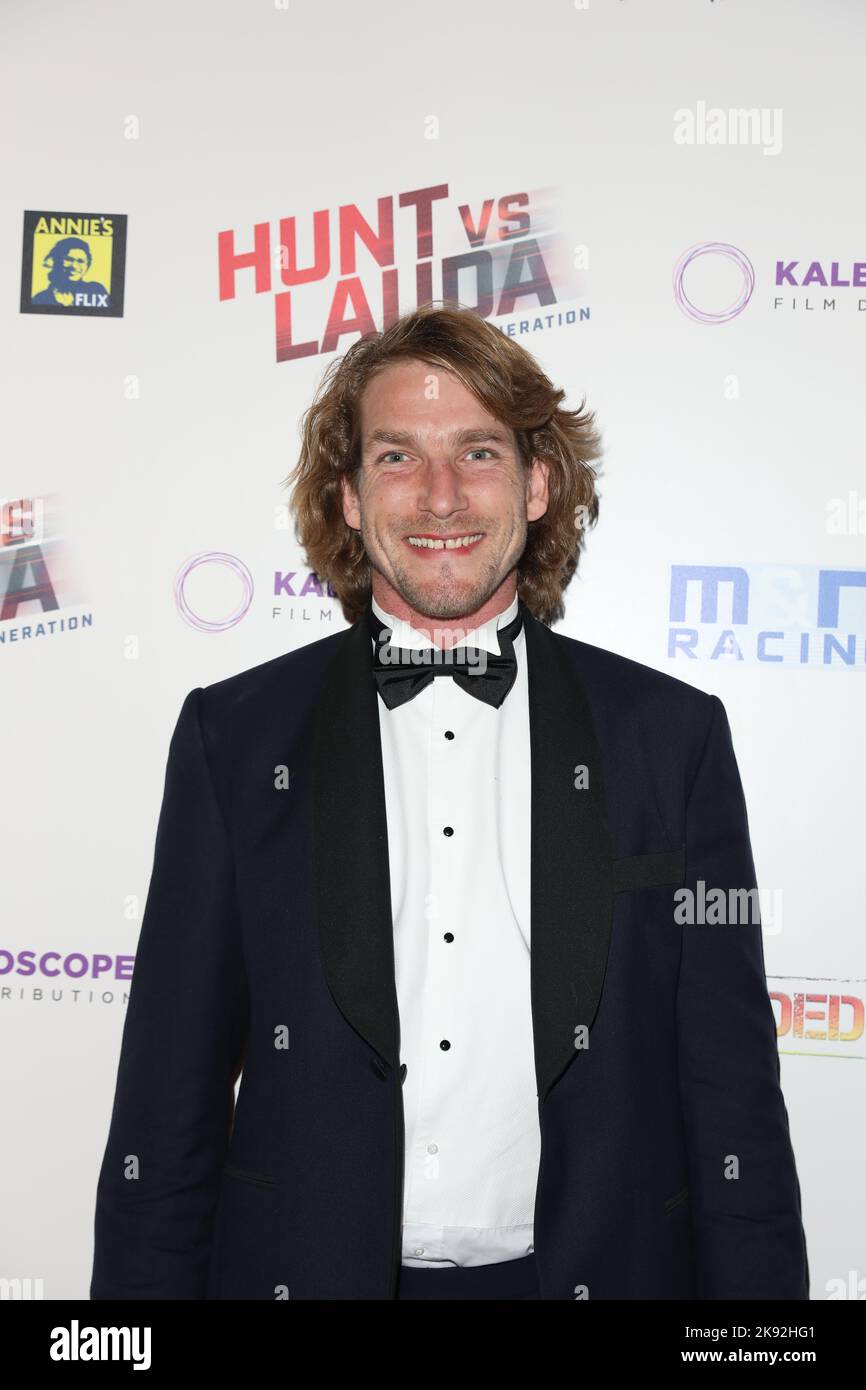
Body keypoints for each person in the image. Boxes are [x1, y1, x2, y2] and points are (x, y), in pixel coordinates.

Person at [90, 302, 809, 1300]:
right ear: (346, 497)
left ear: (539, 483)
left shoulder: (669, 737)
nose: (438, 496)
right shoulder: (235, 738)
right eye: (395, 457)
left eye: (476, 452)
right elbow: (166, 1100)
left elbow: (730, 1093)